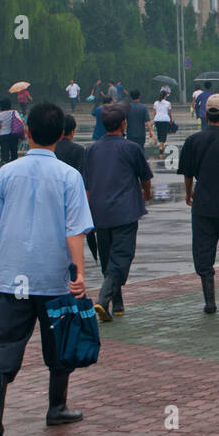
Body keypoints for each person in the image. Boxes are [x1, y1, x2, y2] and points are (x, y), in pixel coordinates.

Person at [0, 103, 94, 436]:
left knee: (5, 343)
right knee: (60, 340)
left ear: (26, 133)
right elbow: (75, 232)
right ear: (61, 134)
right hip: (53, 276)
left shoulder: (6, 173)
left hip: (13, 277)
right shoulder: (69, 177)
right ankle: (56, 408)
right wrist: (79, 274)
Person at [80, 102, 153, 322]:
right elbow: (145, 177)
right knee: (121, 256)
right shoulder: (131, 148)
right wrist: (146, 193)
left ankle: (117, 304)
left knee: (107, 257)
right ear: (124, 124)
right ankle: (103, 300)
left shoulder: (91, 150)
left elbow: (87, 185)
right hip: (125, 211)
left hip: (99, 212)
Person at [177, 93, 219, 313]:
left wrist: (189, 194)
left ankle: (209, 300)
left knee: (203, 250)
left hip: (202, 203)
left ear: (206, 115)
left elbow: (187, 174)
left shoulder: (192, 141)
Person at [153, 88, 174, 157]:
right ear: (165, 96)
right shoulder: (168, 103)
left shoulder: (156, 103)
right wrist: (171, 120)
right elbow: (169, 113)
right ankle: (161, 146)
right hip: (165, 120)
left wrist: (153, 120)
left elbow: (155, 113)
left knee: (159, 133)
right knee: (164, 133)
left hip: (157, 120)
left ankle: (161, 145)